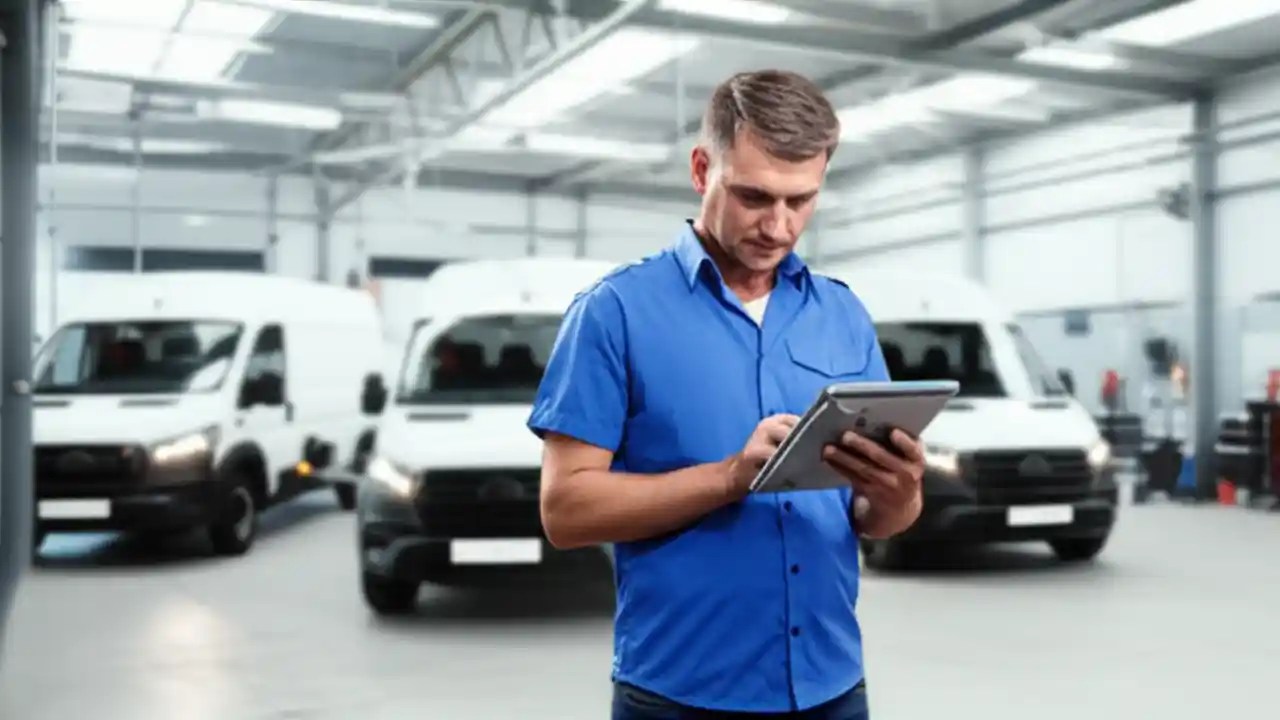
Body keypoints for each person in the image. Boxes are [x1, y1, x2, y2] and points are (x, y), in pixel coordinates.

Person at [526, 69, 926, 719]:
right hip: (679, 695)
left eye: (801, 201)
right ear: (700, 169)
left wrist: (899, 493)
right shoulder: (615, 313)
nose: (778, 225)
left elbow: (873, 520)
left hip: (831, 688)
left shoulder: (844, 315)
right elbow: (566, 511)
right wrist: (732, 477)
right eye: (753, 196)